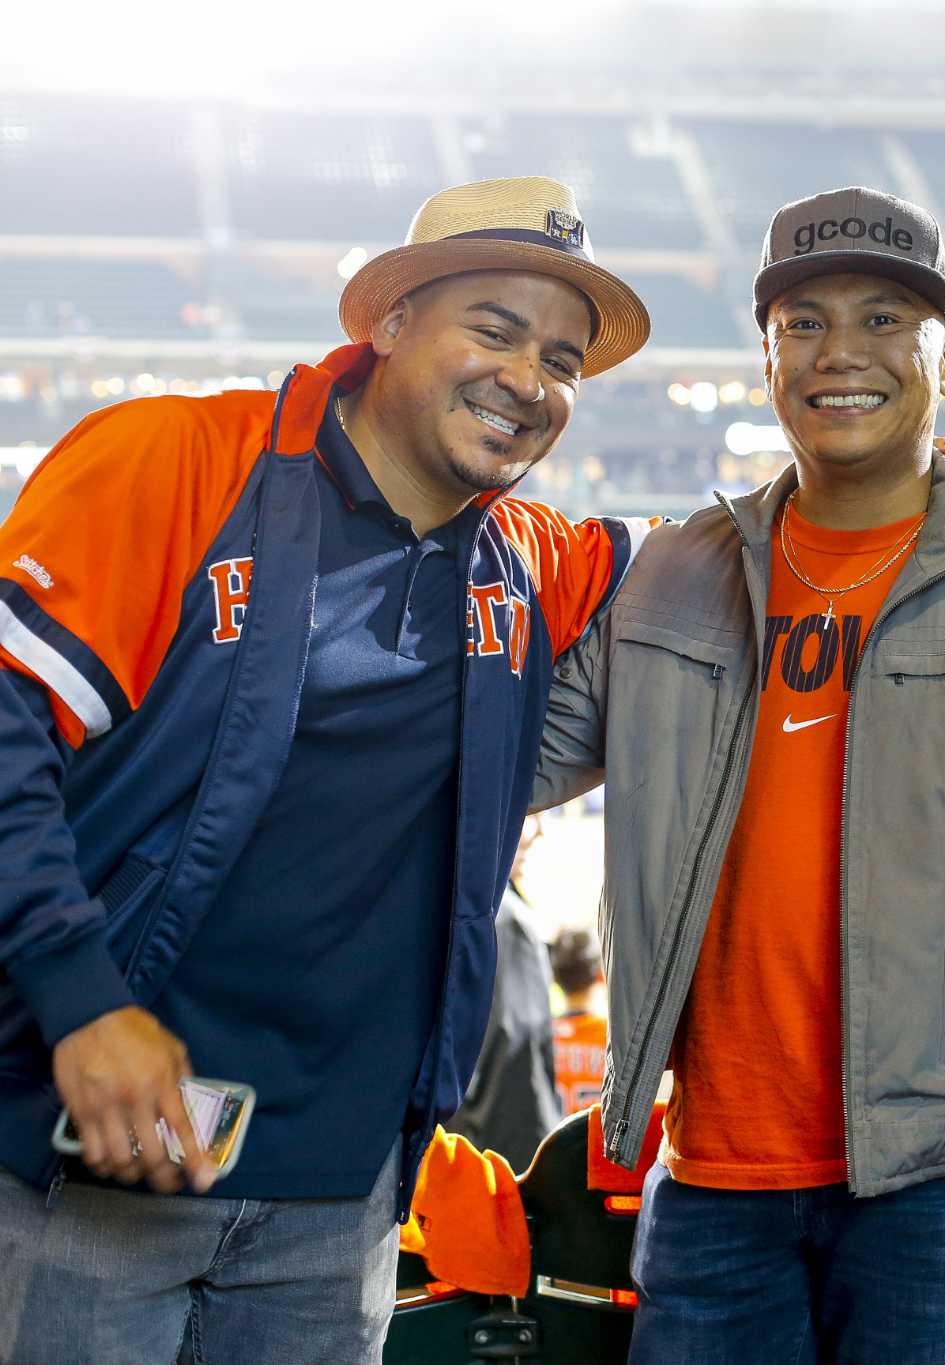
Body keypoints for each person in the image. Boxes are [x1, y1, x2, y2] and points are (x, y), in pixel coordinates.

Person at [0, 177, 656, 1365]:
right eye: (495, 331)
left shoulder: (530, 562)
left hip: (339, 1196)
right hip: (84, 1155)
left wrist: (908, 483)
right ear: (389, 323)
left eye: (561, 359)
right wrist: (81, 999)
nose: (529, 381)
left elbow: (716, 554)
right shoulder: (177, 461)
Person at [531, 186, 945, 1364]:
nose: (840, 354)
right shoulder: (670, 572)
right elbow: (509, 762)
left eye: (883, 320)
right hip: (712, 1169)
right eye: (804, 322)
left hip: (943, 1183)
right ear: (766, 357)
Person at [448, 816, 564, 1171]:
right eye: (533, 813)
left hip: (454, 1153)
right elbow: (517, 1067)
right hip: (493, 1165)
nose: (541, 831)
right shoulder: (506, 922)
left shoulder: (466, 906)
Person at [549, 925, 608, 1115]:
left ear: (555, 978)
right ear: (600, 976)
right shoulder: (612, 1036)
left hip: (551, 1143)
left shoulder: (543, 1036)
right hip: (599, 1142)